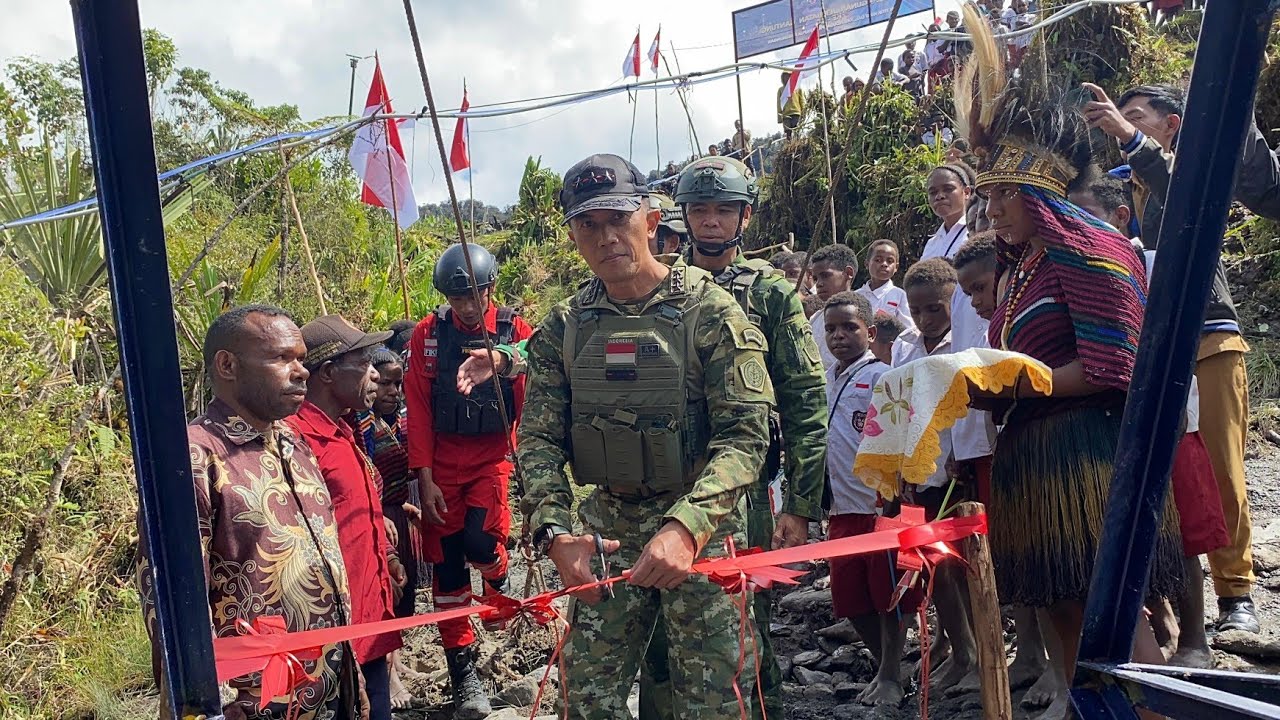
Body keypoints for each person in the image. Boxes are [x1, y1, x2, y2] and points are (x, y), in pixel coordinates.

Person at [955, 10, 1185, 717]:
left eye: (1001, 194)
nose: (990, 208)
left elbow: (1117, 365)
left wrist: (1028, 380)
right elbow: (1022, 365)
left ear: (1038, 192)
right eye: (986, 194)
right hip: (1034, 456)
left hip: (1087, 455)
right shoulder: (1023, 268)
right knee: (1063, 617)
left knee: (1110, 619)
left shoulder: (1086, 250)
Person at [520, 153, 776, 720]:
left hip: (701, 528)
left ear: (652, 221)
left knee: (718, 701)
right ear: (574, 236)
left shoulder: (709, 311)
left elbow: (746, 434)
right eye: (589, 225)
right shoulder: (564, 327)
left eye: (618, 219)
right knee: (584, 701)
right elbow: (536, 441)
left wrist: (688, 527)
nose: (606, 237)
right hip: (606, 530)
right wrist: (557, 533)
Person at [1084, 80, 1280, 633]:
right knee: (1165, 477)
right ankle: (1168, 604)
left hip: (1206, 340)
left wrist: (1128, 140)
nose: (1126, 126)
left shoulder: (1188, 176)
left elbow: (1180, 188)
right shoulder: (1124, 192)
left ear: (1173, 127)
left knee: (1221, 471)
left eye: (1138, 117)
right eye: (1121, 120)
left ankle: (1236, 594)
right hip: (1150, 353)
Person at [662, 155, 829, 720]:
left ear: (744, 217)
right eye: (700, 210)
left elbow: (806, 399)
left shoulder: (772, 294)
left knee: (741, 626)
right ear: (684, 216)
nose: (711, 222)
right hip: (659, 484)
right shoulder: (655, 285)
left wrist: (801, 504)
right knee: (662, 632)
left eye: (723, 210)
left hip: (742, 492)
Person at [139, 305, 357, 720]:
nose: (302, 371)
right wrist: (206, 702)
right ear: (227, 365)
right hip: (254, 703)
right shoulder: (192, 457)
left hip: (329, 690)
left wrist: (352, 677)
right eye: (282, 358)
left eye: (301, 357)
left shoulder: (293, 441)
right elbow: (169, 600)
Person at [1068, 169, 1231, 669]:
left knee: (1182, 532)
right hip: (1109, 420)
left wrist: (1175, 407)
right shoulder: (1077, 273)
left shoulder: (1159, 264)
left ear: (1121, 216)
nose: (1075, 229)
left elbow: (1180, 342)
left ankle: (1195, 640)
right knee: (1127, 526)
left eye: (1086, 216)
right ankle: (1158, 628)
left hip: (1169, 413)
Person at [404, 242, 533, 719]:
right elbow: (416, 408)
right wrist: (425, 476)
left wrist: (503, 356)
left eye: (475, 295)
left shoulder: (513, 329)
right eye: (457, 299)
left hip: (491, 459)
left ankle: (499, 575)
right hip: (441, 464)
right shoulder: (427, 335)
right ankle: (464, 671)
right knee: (449, 565)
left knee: (481, 544)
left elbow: (538, 363)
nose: (466, 307)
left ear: (490, 288)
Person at [288, 315, 403, 720]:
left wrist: (387, 558)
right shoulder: (297, 441)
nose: (374, 375)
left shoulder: (344, 430)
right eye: (364, 363)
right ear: (329, 373)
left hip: (369, 624)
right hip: (334, 641)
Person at [822, 290, 920, 706]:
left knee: (890, 595)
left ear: (871, 331)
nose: (839, 336)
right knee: (850, 598)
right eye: (831, 329)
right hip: (841, 507)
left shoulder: (883, 377)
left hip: (878, 507)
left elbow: (901, 435)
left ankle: (893, 676)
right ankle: (890, 667)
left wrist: (897, 497)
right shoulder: (829, 378)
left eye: (849, 327)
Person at [896, 258, 980, 693]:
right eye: (917, 310)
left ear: (955, 302)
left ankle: (981, 654)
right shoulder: (903, 349)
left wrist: (963, 454)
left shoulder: (964, 345)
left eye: (935, 309)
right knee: (933, 569)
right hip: (920, 473)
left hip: (958, 468)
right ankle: (961, 651)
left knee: (966, 566)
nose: (925, 319)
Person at [352, 346, 425, 710]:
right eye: (383, 383)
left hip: (399, 516)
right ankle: (388, 674)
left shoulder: (395, 422)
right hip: (377, 519)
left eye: (398, 384)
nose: (392, 391)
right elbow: (365, 477)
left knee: (403, 596)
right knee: (384, 600)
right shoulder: (360, 425)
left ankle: (397, 662)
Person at [807, 243, 858, 369]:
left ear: (848, 273)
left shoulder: (864, 315)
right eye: (815, 278)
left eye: (825, 276)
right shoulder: (815, 319)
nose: (818, 284)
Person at [856, 239, 916, 335]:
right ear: (867, 264)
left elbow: (908, 330)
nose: (884, 264)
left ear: (896, 267)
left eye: (890, 261)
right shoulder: (856, 296)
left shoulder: (900, 296)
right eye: (878, 260)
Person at [778, 71, 805, 139]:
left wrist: (804, 112)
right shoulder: (781, 90)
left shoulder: (797, 88)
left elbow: (801, 101)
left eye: (788, 76)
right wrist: (780, 117)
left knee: (797, 130)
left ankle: (798, 145)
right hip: (786, 114)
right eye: (785, 76)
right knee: (788, 132)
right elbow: (778, 103)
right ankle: (789, 145)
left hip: (796, 112)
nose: (786, 78)